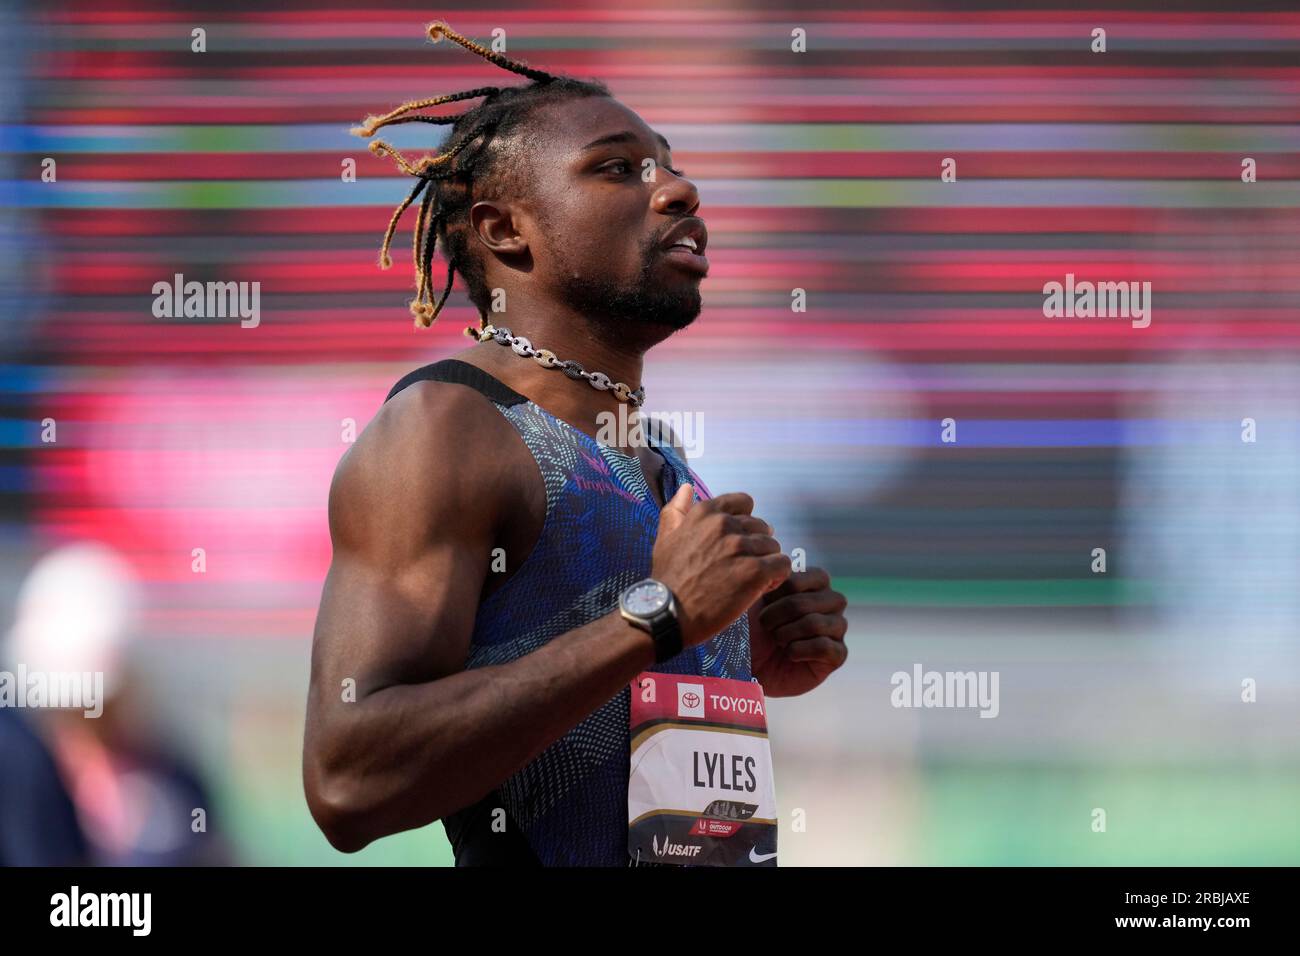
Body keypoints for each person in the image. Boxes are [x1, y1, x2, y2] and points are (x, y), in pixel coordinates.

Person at [303, 22, 849, 866]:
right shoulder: (443, 432)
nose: (678, 191)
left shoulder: (658, 456)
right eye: (618, 169)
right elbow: (347, 782)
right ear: (504, 230)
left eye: (667, 163)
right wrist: (660, 619)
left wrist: (731, 654)